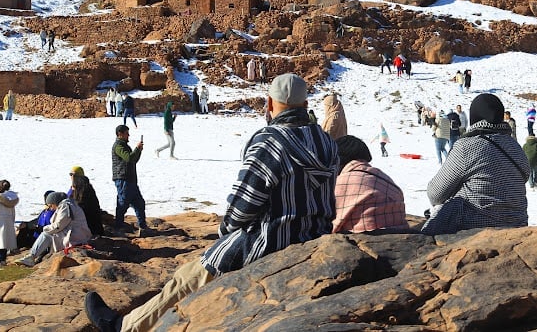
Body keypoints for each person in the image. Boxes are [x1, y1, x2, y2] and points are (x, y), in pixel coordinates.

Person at [85, 73, 339, 332]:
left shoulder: (270, 142)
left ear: (270, 104)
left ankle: (121, 326)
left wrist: (224, 235)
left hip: (270, 241)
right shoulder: (326, 142)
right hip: (315, 238)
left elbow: (242, 206)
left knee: (188, 277)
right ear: (306, 106)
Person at [421, 93, 529, 236]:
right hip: (517, 227)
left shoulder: (468, 146)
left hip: (474, 228)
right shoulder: (516, 147)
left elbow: (435, 193)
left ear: (474, 116)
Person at [332, 135, 406, 233]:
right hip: (400, 232)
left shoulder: (343, 181)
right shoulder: (382, 176)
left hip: (365, 235)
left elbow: (333, 223)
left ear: (338, 160)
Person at [16, 191, 91, 267]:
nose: (51, 208)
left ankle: (31, 257)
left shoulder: (65, 206)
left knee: (46, 235)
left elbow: (58, 225)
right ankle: (32, 256)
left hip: (73, 235)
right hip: (74, 232)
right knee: (48, 234)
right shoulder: (69, 205)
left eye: (51, 205)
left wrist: (44, 228)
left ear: (54, 202)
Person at [112, 125, 149, 234]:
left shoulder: (123, 146)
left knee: (139, 203)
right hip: (123, 179)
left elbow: (133, 159)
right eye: (126, 133)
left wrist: (138, 150)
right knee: (123, 204)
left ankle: (142, 227)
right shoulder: (118, 146)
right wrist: (137, 149)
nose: (128, 135)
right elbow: (129, 158)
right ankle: (118, 228)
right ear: (120, 134)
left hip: (130, 179)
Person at [69, 167, 104, 237]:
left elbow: (84, 207)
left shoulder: (86, 189)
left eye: (74, 175)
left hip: (90, 224)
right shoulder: (74, 187)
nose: (72, 177)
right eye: (70, 174)